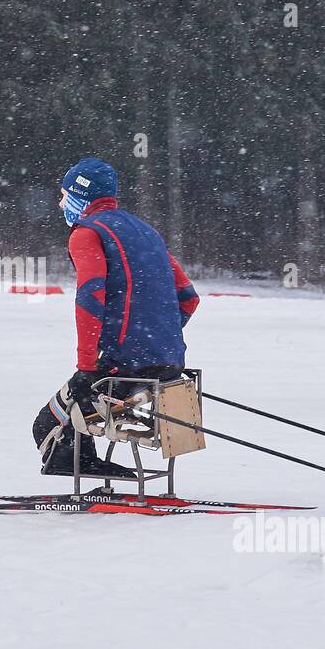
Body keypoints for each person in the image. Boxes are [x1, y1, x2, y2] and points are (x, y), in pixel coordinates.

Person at [33, 157, 200, 477]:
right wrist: (155, 338)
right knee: (80, 409)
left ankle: (80, 465)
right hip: (170, 369)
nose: (60, 204)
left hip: (122, 370)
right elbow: (189, 299)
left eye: (65, 196)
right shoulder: (148, 232)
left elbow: (90, 301)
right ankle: (90, 463)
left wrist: (86, 367)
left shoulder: (87, 233)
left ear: (81, 197)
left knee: (46, 425)